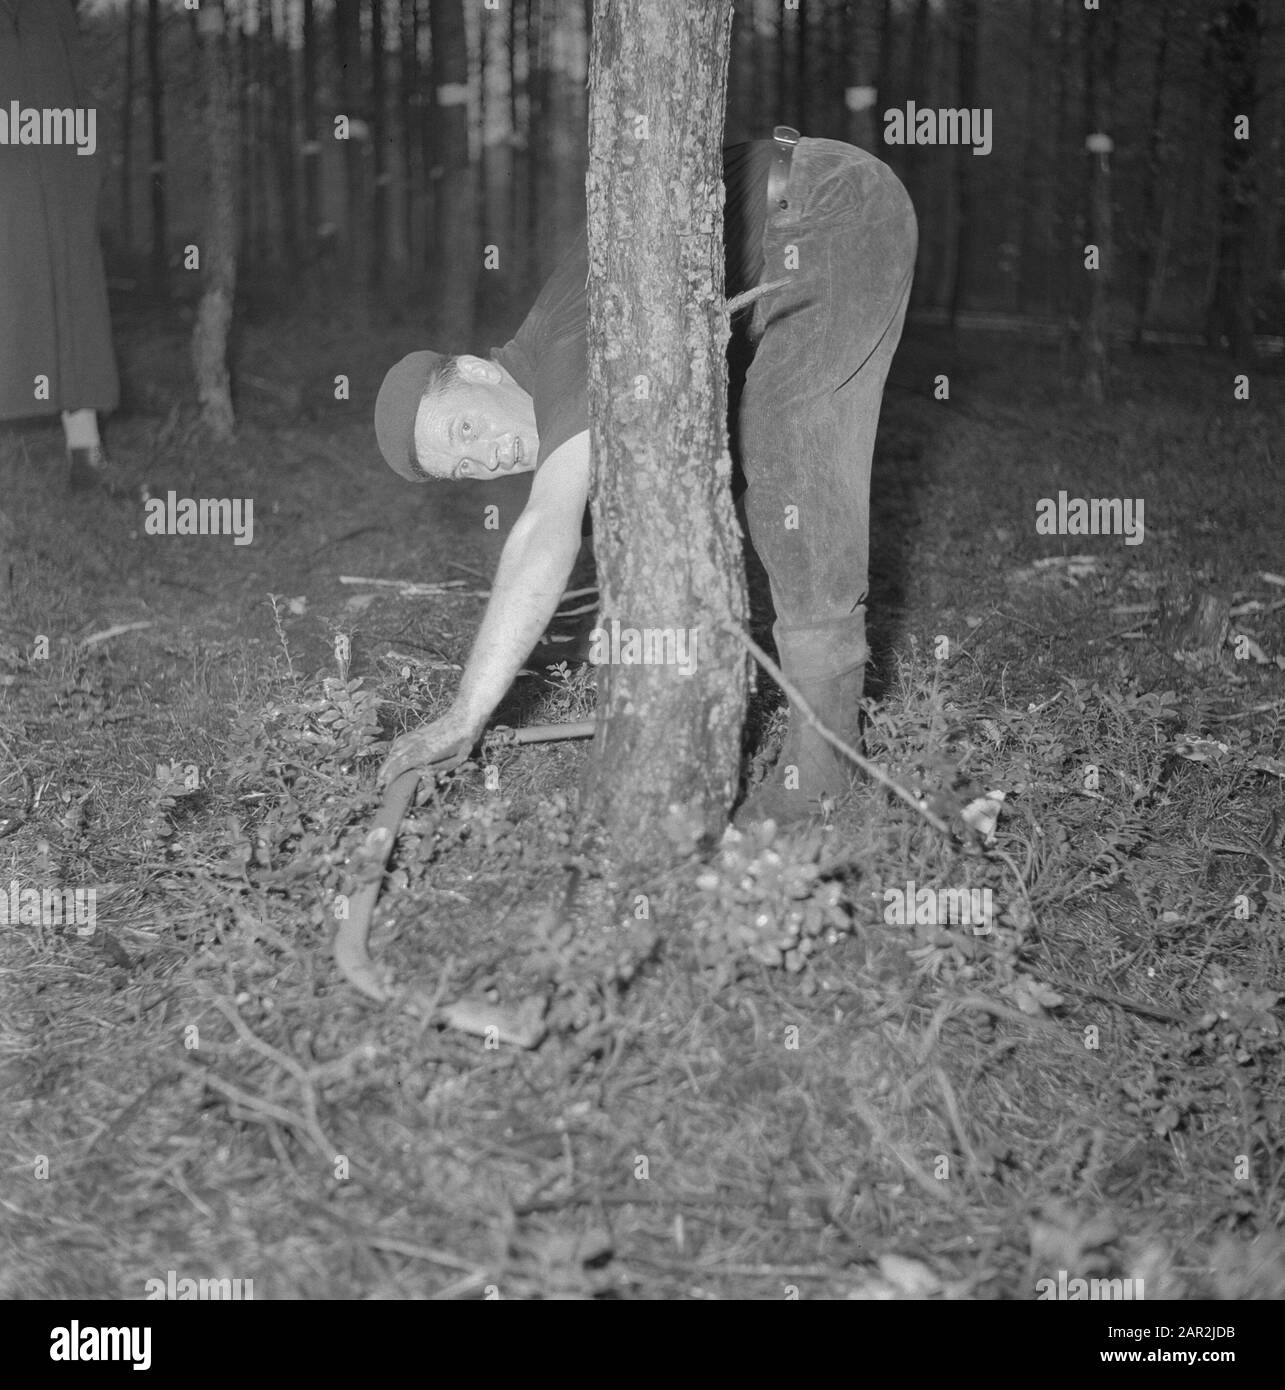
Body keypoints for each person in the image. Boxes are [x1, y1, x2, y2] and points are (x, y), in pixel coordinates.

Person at [374, 131, 917, 823]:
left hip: (823, 206)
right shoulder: (553, 360)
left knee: (789, 460)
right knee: (719, 467)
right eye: (467, 467)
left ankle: (823, 776)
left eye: (465, 430)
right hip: (789, 218)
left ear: (476, 370)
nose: (489, 457)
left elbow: (545, 529)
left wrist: (463, 715)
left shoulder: (567, 356)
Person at [0, 0, 120, 490]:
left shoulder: (53, 13)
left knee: (74, 299)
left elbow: (81, 92)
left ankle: (84, 453)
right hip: (12, 167)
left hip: (58, 168)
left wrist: (87, 171)